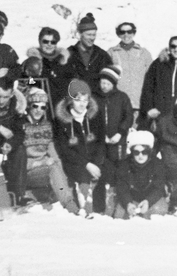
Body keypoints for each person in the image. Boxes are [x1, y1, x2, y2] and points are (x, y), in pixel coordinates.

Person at [53, 79, 106, 214]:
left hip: (95, 161)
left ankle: (105, 207)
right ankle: (86, 206)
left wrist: (96, 163)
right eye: (78, 100)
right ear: (71, 101)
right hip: (75, 162)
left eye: (85, 100)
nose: (82, 104)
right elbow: (64, 149)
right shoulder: (62, 121)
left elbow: (100, 142)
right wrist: (87, 164)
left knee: (109, 170)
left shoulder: (94, 117)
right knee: (83, 175)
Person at [19, 88, 76, 211]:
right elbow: (18, 159)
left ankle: (49, 198)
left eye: (42, 107)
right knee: (52, 169)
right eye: (35, 106)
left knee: (58, 170)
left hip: (45, 170)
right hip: (27, 171)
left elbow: (53, 153)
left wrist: (62, 175)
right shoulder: (21, 126)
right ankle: (69, 204)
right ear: (29, 106)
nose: (39, 111)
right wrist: (41, 163)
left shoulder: (47, 126)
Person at [96, 65, 133, 217]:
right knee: (103, 170)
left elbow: (128, 116)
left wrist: (120, 133)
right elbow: (92, 117)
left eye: (107, 83)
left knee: (118, 170)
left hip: (118, 141)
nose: (104, 86)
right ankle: (99, 204)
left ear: (114, 84)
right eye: (102, 82)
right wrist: (100, 135)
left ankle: (117, 200)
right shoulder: (95, 97)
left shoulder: (122, 97)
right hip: (101, 141)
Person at [138, 35, 177, 129]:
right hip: (160, 113)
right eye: (173, 46)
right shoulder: (159, 64)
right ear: (169, 47)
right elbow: (148, 88)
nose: (176, 49)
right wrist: (149, 108)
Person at [115, 129, 167, 218]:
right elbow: (122, 187)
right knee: (119, 216)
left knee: (158, 213)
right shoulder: (124, 164)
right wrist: (128, 203)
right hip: (132, 199)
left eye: (144, 152)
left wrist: (148, 201)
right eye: (136, 152)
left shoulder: (158, 164)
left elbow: (159, 188)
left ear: (149, 152)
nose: (140, 156)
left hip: (151, 199)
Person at [108, 21, 152, 121]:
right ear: (118, 34)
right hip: (119, 103)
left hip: (139, 103)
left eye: (129, 31)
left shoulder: (143, 53)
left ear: (134, 33)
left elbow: (151, 77)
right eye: (122, 32)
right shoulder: (112, 52)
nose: (126, 35)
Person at [67, 13, 113, 88]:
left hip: (97, 97)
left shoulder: (102, 55)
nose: (92, 38)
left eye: (94, 35)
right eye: (88, 34)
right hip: (76, 96)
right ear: (80, 34)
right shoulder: (69, 53)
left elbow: (110, 81)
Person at [31, 26, 73, 107]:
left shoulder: (64, 62)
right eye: (45, 41)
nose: (49, 45)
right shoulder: (33, 62)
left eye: (53, 42)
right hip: (42, 108)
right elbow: (27, 81)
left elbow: (73, 81)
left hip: (62, 108)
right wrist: (36, 81)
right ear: (39, 41)